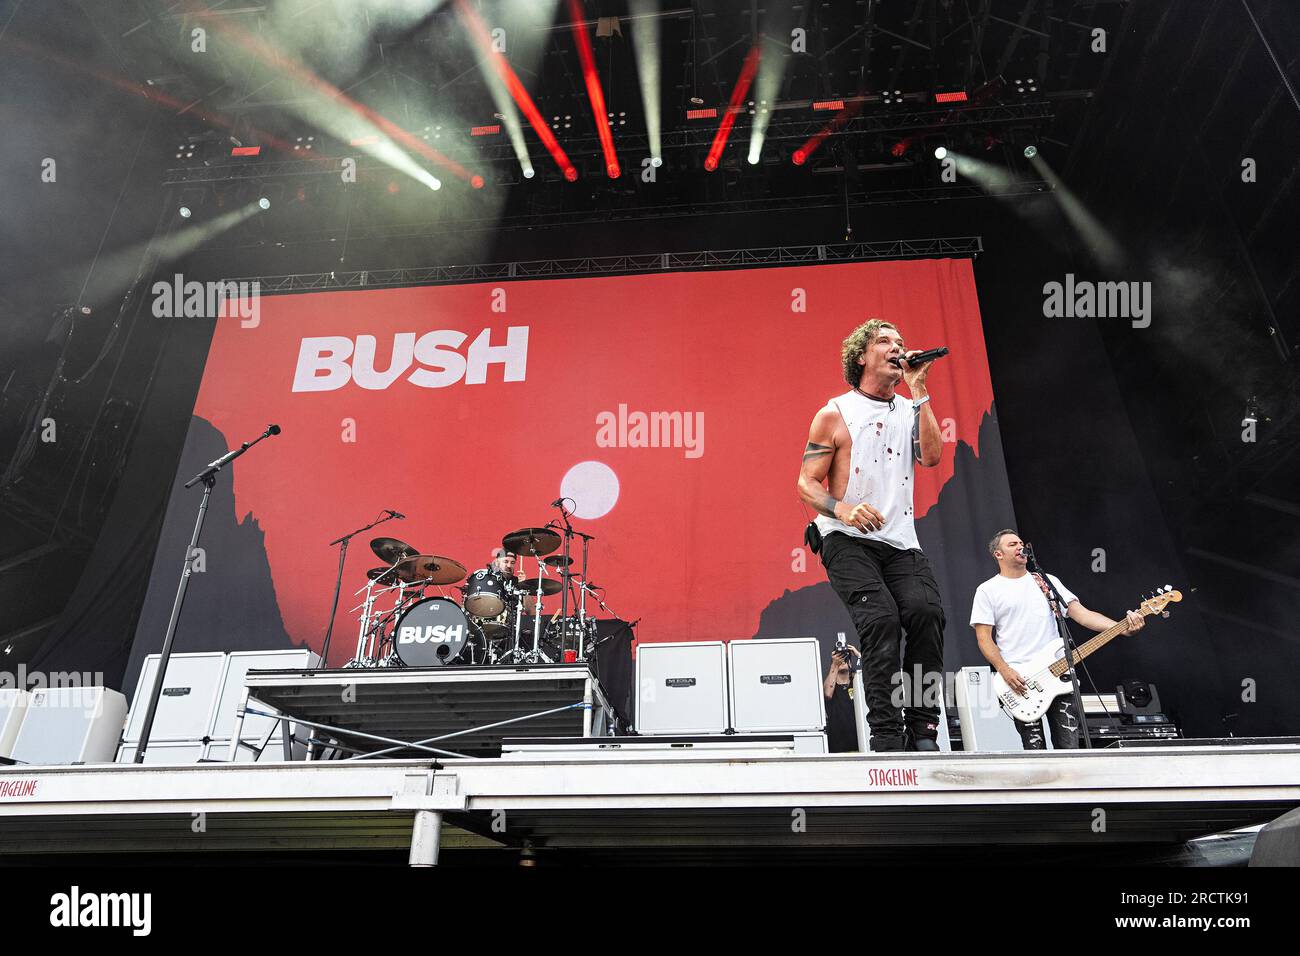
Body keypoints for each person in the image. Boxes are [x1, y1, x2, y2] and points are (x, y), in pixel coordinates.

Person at [796, 319, 946, 751]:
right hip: (845, 536)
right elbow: (805, 483)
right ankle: (886, 733)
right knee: (881, 620)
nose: (897, 347)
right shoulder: (835, 413)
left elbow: (932, 457)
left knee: (926, 614)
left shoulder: (910, 408)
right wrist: (843, 508)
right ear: (861, 356)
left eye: (901, 341)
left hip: (900, 540)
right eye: (885, 341)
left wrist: (919, 391)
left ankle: (923, 728)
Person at [970, 529, 1145, 749]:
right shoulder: (988, 590)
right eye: (1012, 544)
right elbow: (984, 638)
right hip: (1020, 679)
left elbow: (1081, 614)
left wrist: (1121, 628)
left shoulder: (1046, 582)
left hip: (1059, 673)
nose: (1019, 547)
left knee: (1069, 746)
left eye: (1021, 542)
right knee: (1034, 747)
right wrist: (1004, 670)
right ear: (998, 554)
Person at [823, 643, 862, 752]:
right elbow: (827, 693)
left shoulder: (858, 683)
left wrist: (859, 656)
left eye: (845, 658)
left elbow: (872, 678)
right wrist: (835, 664)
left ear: (850, 662)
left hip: (861, 744)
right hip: (838, 746)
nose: (842, 660)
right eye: (840, 657)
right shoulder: (830, 683)